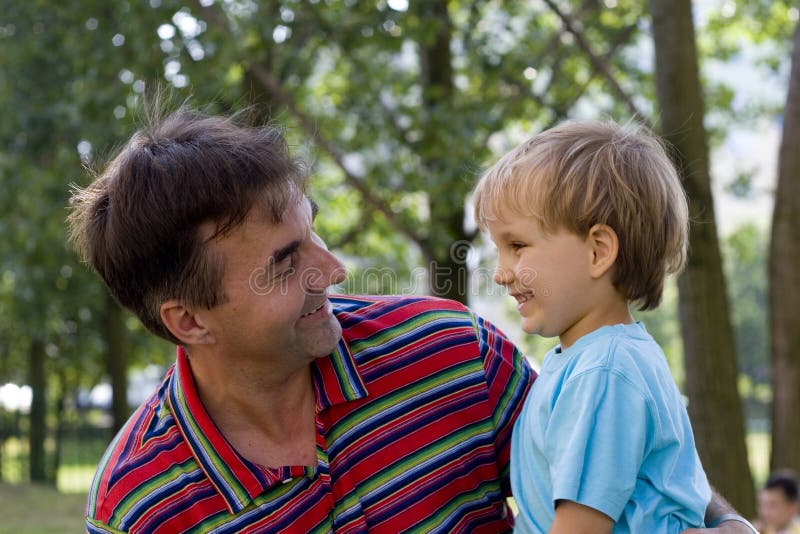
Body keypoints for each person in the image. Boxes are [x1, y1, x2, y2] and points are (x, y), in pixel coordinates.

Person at [69, 106, 754, 533]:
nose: (333, 271)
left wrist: (725, 523)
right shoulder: (141, 504)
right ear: (189, 321)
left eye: (315, 232)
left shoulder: (454, 352)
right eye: (285, 263)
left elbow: (610, 447)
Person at [472, 120, 737, 534]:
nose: (501, 273)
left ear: (598, 251)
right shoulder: (595, 359)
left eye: (517, 246)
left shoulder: (604, 372)